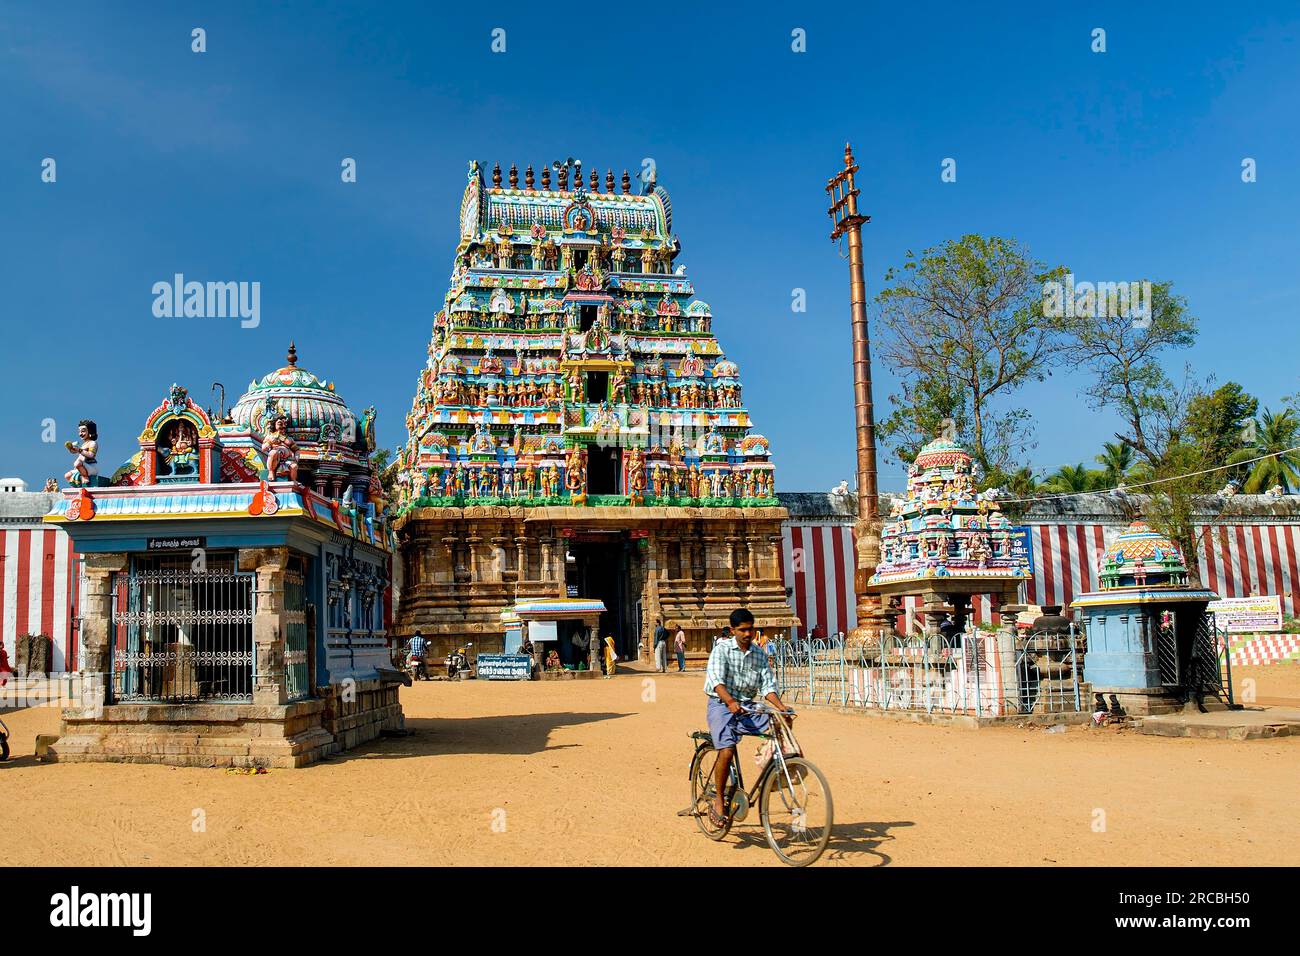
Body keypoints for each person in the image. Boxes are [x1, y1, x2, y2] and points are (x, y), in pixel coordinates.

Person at [703, 608, 793, 827]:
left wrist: (782, 708)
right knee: (727, 749)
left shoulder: (759, 653)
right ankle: (718, 801)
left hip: (748, 706)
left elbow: (768, 686)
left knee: (778, 725)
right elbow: (716, 681)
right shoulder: (721, 649)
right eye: (742, 630)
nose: (747, 634)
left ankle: (771, 774)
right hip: (721, 704)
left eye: (750, 629)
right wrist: (730, 702)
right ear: (733, 630)